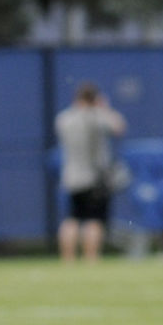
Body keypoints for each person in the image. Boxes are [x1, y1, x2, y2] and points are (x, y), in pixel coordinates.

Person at [54, 81, 127, 261]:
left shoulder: (64, 118)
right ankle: (91, 258)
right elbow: (119, 126)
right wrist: (104, 108)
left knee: (72, 218)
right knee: (94, 220)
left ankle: (68, 259)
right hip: (94, 177)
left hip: (71, 175)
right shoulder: (96, 117)